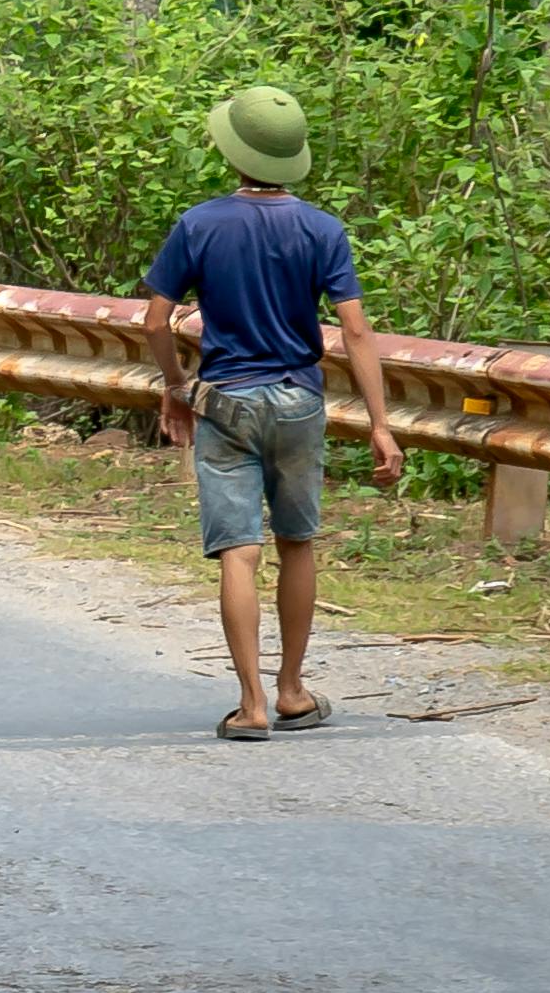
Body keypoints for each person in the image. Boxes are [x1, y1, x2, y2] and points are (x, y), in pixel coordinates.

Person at [149, 82, 403, 743]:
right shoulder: (322, 229)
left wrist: (176, 385)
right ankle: (292, 688)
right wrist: (379, 422)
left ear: (233, 151)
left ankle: (250, 702)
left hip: (226, 400)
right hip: (298, 401)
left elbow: (153, 319)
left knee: (238, 551)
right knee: (297, 542)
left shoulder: (198, 223)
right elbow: (354, 331)